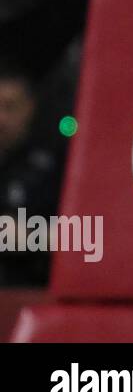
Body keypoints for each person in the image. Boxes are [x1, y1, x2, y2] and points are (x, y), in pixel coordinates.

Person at [0, 55, 62, 286]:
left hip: (33, 285)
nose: (1, 118)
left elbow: (88, 235)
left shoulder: (54, 163)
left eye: (10, 107)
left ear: (29, 108)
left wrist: (30, 236)